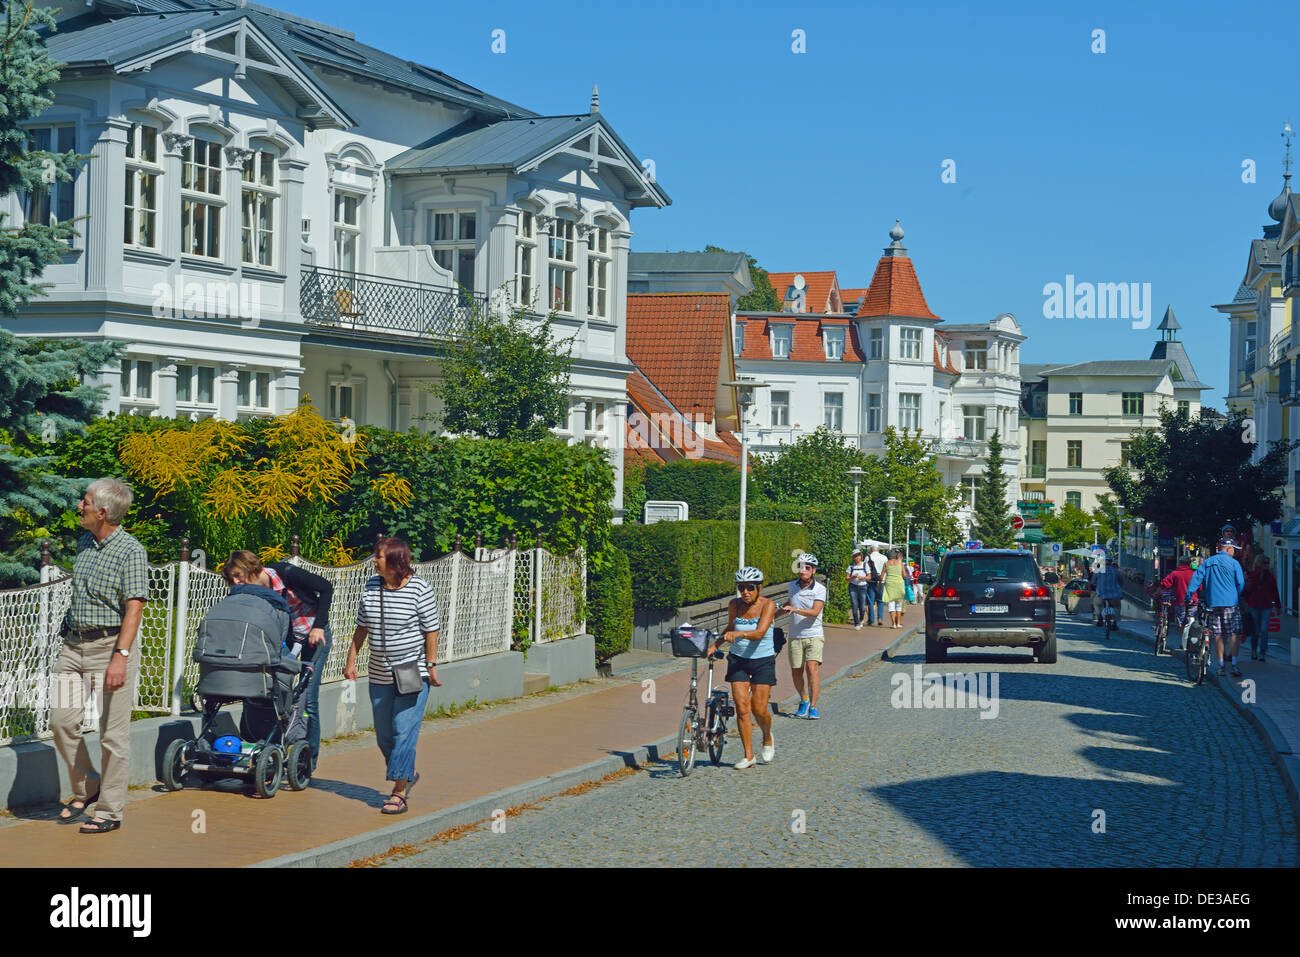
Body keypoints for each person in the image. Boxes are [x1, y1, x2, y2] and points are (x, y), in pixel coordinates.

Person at [52, 479, 148, 834]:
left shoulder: (131, 551)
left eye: (87, 502)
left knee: (113, 735)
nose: (80, 505)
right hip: (73, 647)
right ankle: (87, 786)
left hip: (110, 648)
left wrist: (120, 655)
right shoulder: (84, 542)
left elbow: (134, 606)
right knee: (61, 722)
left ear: (103, 512)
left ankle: (109, 811)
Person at [344, 537, 442, 813]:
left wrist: (431, 665)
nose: (374, 561)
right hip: (379, 671)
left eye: (379, 556)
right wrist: (351, 660)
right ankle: (406, 771)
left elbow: (431, 629)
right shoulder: (372, 586)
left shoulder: (420, 588)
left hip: (413, 670)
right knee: (384, 736)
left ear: (396, 561)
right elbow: (362, 626)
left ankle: (399, 792)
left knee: (403, 731)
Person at [222, 550, 335, 770]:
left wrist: (319, 626)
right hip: (288, 640)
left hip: (314, 634)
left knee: (307, 696)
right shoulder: (253, 594)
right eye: (232, 579)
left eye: (237, 575)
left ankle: (307, 761)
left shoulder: (284, 573)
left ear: (250, 567)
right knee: (273, 691)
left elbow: (326, 588)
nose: (236, 582)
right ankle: (269, 749)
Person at [709, 566, 777, 769]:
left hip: (762, 660)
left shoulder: (768, 605)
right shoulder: (734, 605)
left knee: (759, 709)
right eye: (741, 588)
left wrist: (738, 635)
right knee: (742, 708)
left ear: (759, 588)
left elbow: (760, 633)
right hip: (738, 659)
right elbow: (730, 627)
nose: (745, 592)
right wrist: (715, 645)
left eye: (750, 587)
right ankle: (748, 755)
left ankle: (767, 736)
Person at [1185, 538, 1246, 677]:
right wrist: (1236, 595)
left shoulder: (1207, 562)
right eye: (1234, 550)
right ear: (1228, 549)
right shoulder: (1234, 563)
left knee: (1218, 634)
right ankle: (1234, 664)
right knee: (1234, 633)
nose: (1234, 552)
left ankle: (1221, 665)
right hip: (1231, 603)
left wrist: (1189, 596)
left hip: (1213, 603)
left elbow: (1196, 580)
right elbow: (1241, 584)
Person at [784, 554, 827, 719]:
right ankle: (804, 699)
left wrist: (796, 610)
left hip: (814, 634)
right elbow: (790, 603)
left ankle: (814, 707)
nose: (803, 570)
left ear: (813, 570)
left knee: (811, 668)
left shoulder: (819, 589)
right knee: (796, 670)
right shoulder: (792, 586)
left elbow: (815, 612)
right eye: (801, 567)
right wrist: (770, 617)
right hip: (795, 635)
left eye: (807, 568)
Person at [1242, 554, 1281, 661]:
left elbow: (1275, 591)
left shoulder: (1270, 577)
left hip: (1266, 606)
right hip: (1254, 605)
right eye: (1264, 563)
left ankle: (1262, 652)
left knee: (1264, 630)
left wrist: (1278, 606)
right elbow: (1247, 590)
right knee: (1256, 630)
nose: (1267, 565)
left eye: (1268, 563)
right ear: (1259, 563)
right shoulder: (1253, 575)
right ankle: (1254, 650)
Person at [1159, 557, 1197, 648]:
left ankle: (1184, 642)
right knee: (1192, 621)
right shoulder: (1194, 574)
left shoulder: (1175, 573)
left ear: (1180, 563)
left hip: (1181, 602)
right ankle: (1191, 641)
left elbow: (1164, 584)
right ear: (1189, 564)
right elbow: (1200, 588)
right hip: (1193, 602)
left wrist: (1157, 592)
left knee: (1182, 623)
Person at [1091, 550, 1123, 626]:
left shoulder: (1098, 571)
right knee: (1117, 607)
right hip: (1114, 594)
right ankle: (1115, 623)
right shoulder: (1116, 571)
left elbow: (1093, 582)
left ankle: (1099, 618)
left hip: (1101, 594)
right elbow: (1121, 581)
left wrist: (1096, 585)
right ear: (1111, 562)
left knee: (1097, 604)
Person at [881, 549, 907, 628]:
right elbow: (905, 575)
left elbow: (881, 576)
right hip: (899, 583)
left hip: (889, 584)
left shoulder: (886, 564)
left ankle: (893, 624)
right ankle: (899, 623)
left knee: (891, 603)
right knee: (899, 603)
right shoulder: (900, 563)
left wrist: (879, 583)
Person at [846, 551, 870, 629]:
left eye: (858, 556)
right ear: (853, 557)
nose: (857, 557)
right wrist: (853, 577)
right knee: (854, 604)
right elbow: (847, 578)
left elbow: (869, 577)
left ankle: (861, 619)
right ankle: (856, 623)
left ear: (861, 556)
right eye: (855, 556)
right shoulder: (851, 566)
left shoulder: (865, 565)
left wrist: (863, 578)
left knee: (862, 606)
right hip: (853, 586)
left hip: (863, 587)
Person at [867, 544, 886, 625]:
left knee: (871, 601)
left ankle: (871, 620)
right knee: (880, 601)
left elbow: (865, 568)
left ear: (871, 550)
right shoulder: (884, 557)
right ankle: (880, 618)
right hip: (881, 581)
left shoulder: (868, 557)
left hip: (871, 581)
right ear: (879, 550)